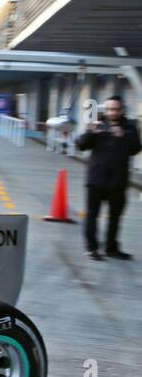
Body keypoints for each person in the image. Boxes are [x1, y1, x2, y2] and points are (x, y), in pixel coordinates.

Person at [75, 96, 141, 261]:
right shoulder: (97, 124)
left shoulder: (130, 128)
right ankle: (91, 249)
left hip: (117, 182)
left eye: (116, 109)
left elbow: (136, 149)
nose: (113, 112)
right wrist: (91, 132)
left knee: (115, 217)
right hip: (96, 179)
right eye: (110, 109)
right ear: (106, 110)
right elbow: (81, 145)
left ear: (122, 110)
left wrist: (123, 136)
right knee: (92, 215)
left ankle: (111, 248)